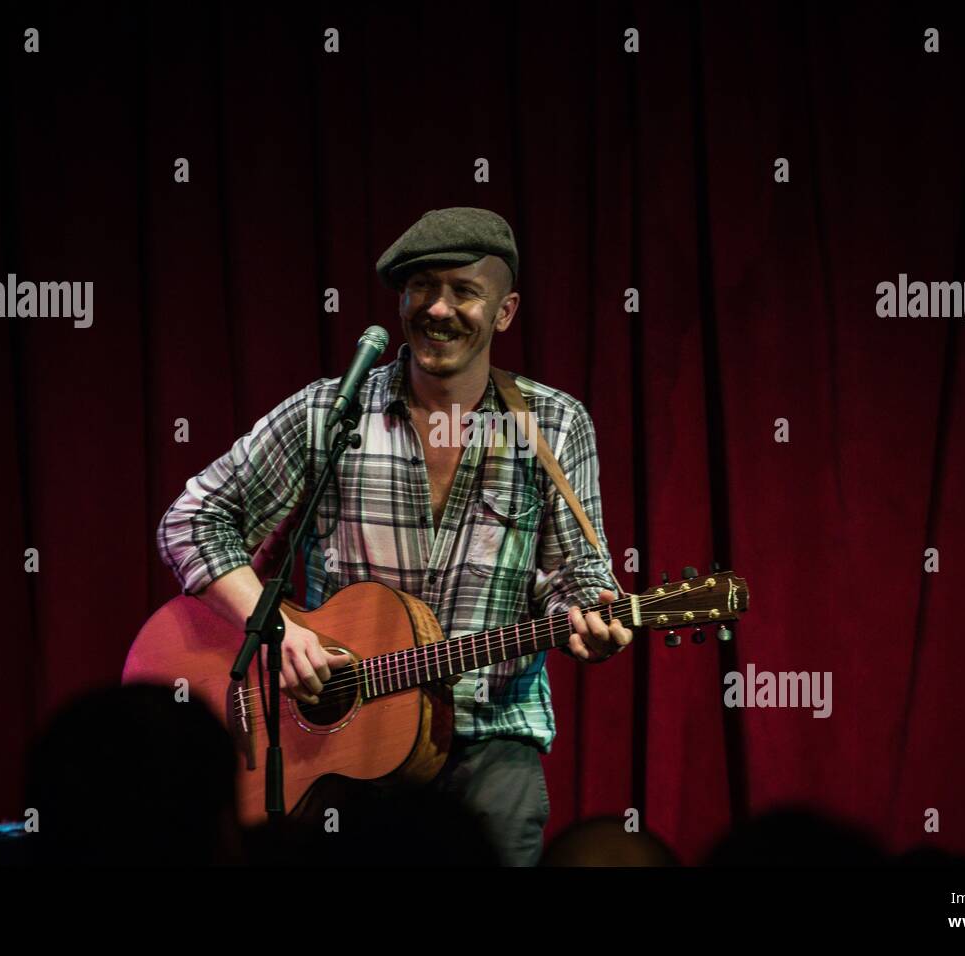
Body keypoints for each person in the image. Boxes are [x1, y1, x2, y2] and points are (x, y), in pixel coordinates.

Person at [156, 206, 632, 865]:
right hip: (340, 761)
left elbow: (577, 575)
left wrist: (592, 620)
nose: (438, 309)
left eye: (464, 291)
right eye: (421, 288)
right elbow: (193, 519)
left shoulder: (552, 423)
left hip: (490, 750)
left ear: (505, 311)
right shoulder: (331, 412)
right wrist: (278, 633)